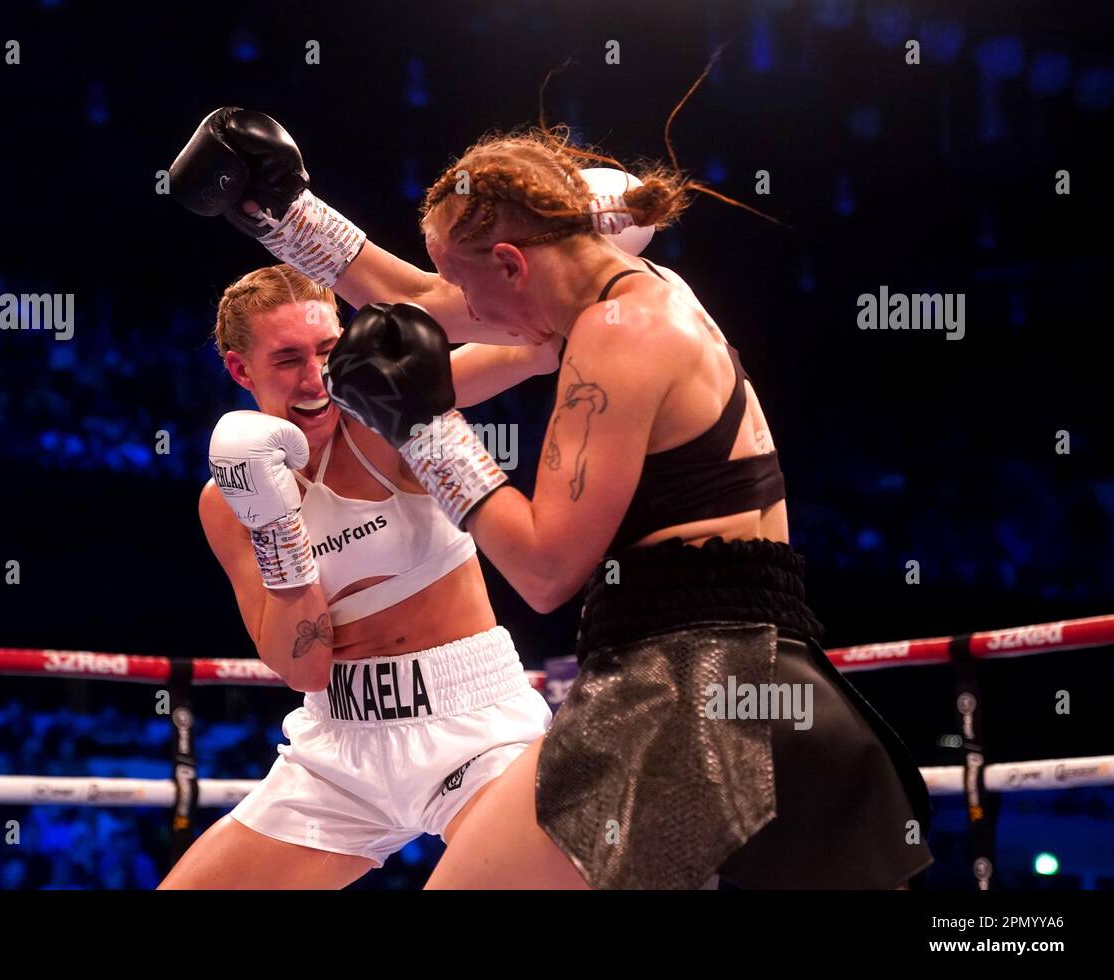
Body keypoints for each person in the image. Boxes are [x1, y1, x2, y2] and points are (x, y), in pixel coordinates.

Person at [317, 129, 936, 889]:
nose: (462, 314)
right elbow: (432, 308)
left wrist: (427, 429)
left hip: (686, 689)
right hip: (730, 670)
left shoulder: (617, 334)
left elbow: (545, 569)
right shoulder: (650, 295)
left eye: (466, 290)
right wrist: (284, 216)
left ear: (511, 263)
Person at [157, 263, 556, 889]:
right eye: (287, 359)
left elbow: (538, 345)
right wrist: (278, 526)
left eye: (327, 349)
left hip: (476, 724)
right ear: (240, 370)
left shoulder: (387, 419)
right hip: (338, 740)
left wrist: (593, 262)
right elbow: (304, 668)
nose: (316, 379)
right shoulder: (227, 499)